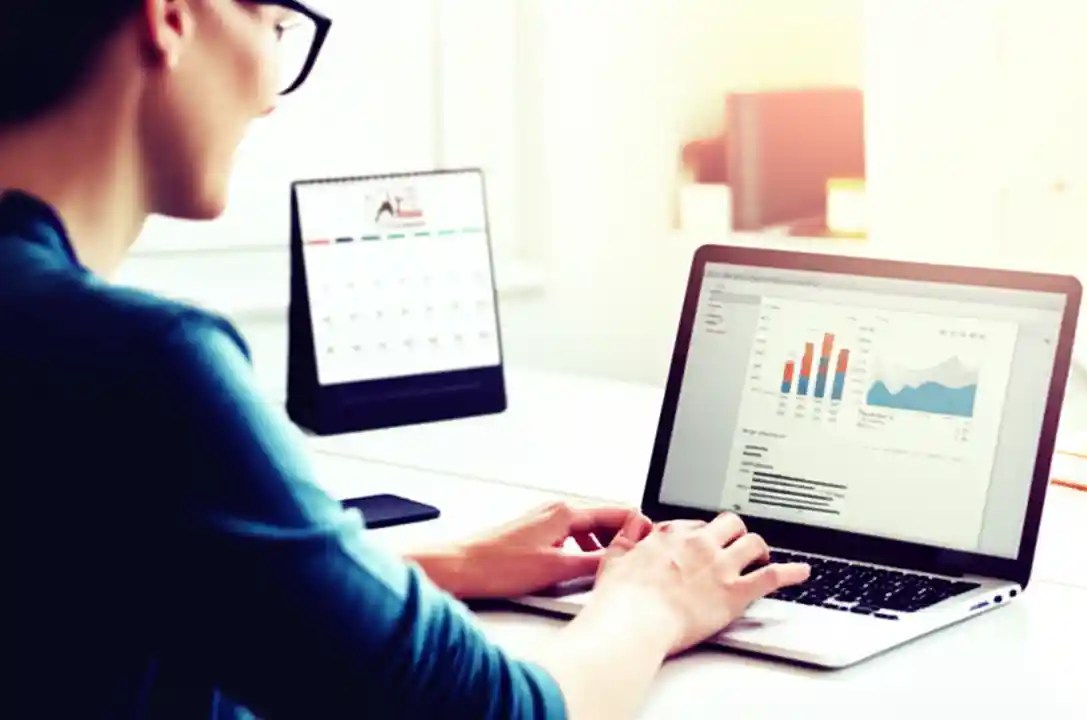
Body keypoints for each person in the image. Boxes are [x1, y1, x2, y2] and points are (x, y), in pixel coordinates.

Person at [0, 2, 810, 718]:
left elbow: (82, 570)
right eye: (278, 27)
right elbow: (499, 713)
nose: (271, 96)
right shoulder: (139, 362)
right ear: (171, 14)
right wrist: (654, 603)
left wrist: (446, 562)